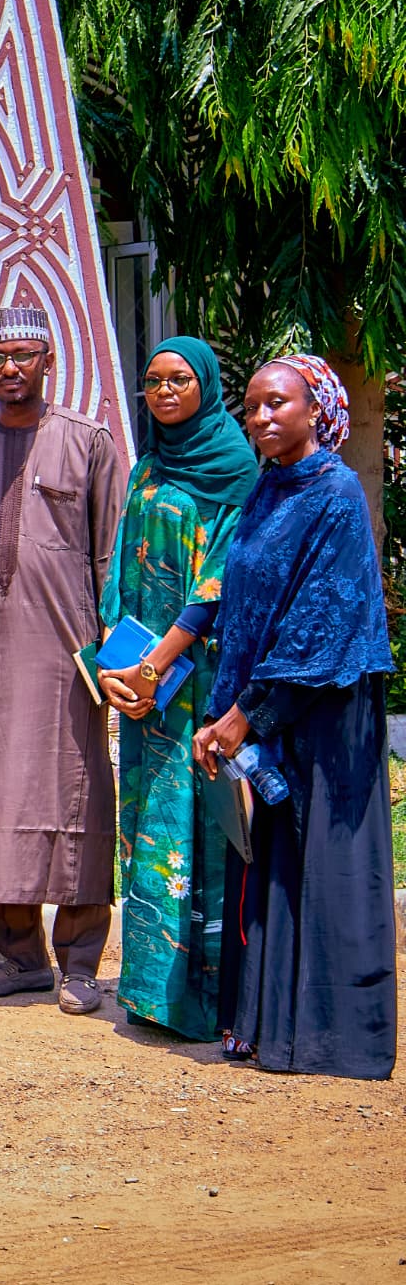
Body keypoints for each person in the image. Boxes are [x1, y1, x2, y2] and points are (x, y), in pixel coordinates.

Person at [191, 358, 395, 1079]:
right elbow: (242, 606)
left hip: (325, 709)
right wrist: (229, 712)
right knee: (274, 866)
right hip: (271, 710)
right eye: (252, 408)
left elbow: (318, 620)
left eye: (277, 404)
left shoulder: (336, 494)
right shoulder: (266, 492)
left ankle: (336, 1039)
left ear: (319, 411)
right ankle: (269, 1030)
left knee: (328, 869)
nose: (261, 418)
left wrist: (245, 715)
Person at [0, 306, 124, 1014]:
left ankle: (80, 963)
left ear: (49, 362)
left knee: (76, 797)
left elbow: (111, 557)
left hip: (72, 656)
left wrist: (115, 658)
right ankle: (20, 960)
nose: (9, 369)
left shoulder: (88, 443)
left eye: (23, 356)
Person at [94, 337, 258, 1039]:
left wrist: (156, 665)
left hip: (198, 681)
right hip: (141, 688)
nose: (164, 392)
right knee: (149, 828)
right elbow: (120, 570)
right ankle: (151, 993)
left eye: (179, 380)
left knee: (203, 822)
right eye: (154, 381)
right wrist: (112, 663)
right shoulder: (148, 468)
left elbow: (216, 585)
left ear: (208, 387)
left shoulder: (236, 472)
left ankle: (205, 999)